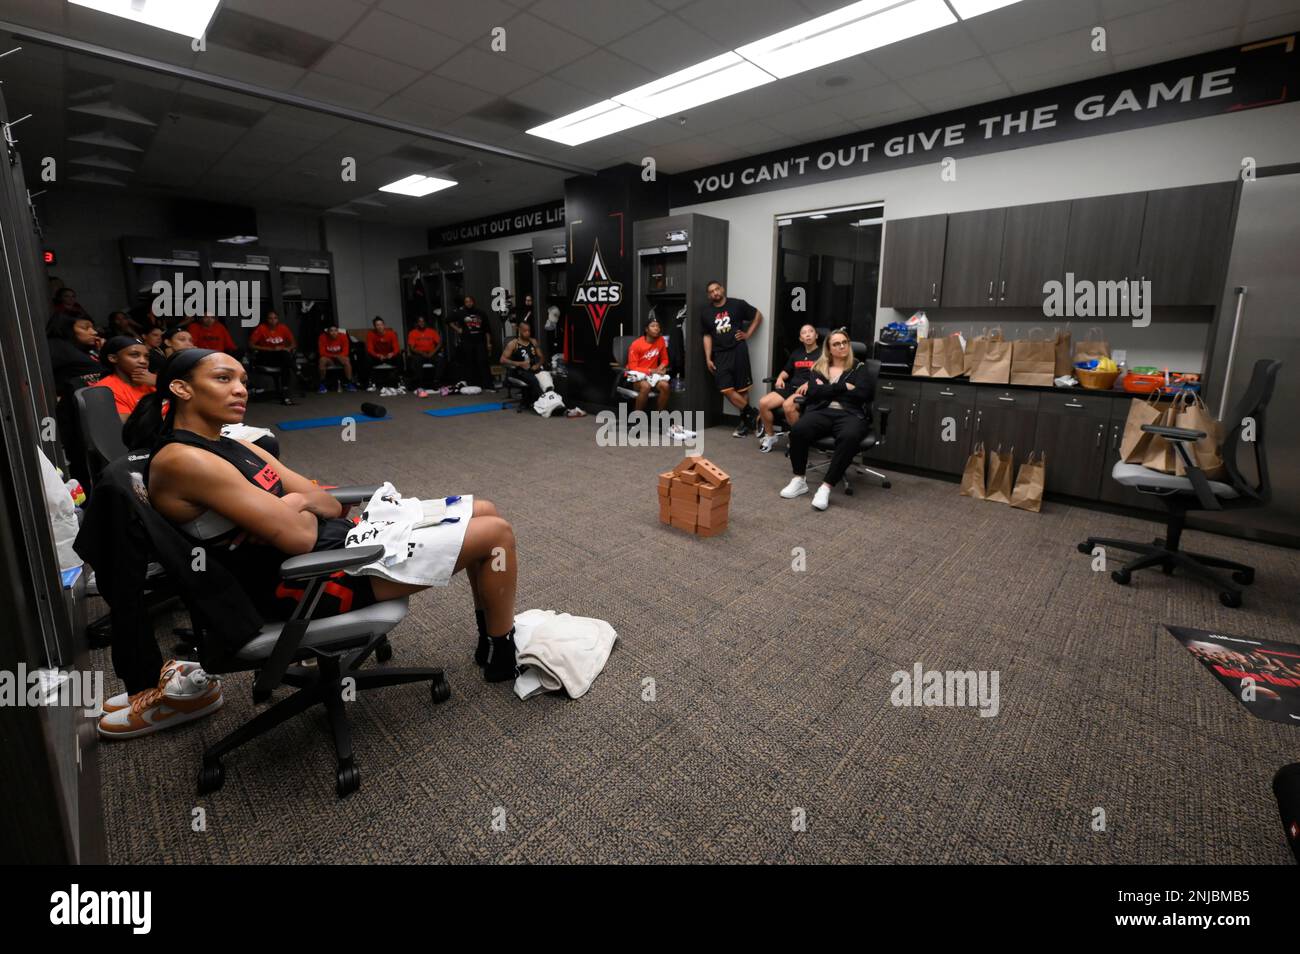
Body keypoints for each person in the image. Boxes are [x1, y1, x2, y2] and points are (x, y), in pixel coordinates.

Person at [96, 349, 525, 737]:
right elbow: (300, 537)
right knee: (495, 535)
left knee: (481, 508)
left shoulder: (230, 444)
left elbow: (326, 502)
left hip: (330, 544)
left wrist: (288, 503)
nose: (241, 389)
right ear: (181, 388)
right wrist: (290, 508)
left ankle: (491, 637)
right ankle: (500, 651)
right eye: (224, 379)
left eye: (243, 379)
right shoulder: (184, 458)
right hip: (300, 583)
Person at [780, 329, 875, 511]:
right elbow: (814, 392)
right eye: (836, 344)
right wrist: (844, 387)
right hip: (822, 412)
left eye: (844, 342)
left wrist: (829, 388)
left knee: (849, 436)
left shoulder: (860, 368)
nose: (841, 346)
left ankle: (826, 487)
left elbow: (863, 394)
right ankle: (799, 479)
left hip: (850, 414)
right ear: (829, 349)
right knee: (798, 430)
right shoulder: (818, 368)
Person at [46, 314, 105, 487]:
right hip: (72, 416)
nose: (93, 332)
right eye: (85, 327)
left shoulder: (77, 349)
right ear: (67, 329)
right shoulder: (57, 347)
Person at [701, 280, 762, 437]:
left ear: (722, 289)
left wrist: (748, 334)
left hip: (738, 350)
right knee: (725, 388)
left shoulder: (737, 304)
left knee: (742, 388)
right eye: (711, 291)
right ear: (709, 295)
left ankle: (744, 424)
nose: (715, 292)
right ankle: (754, 414)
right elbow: (707, 336)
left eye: (717, 289)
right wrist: (708, 358)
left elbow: (758, 316)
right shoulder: (706, 312)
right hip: (720, 354)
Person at [498, 320, 584, 417]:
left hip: (533, 369)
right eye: (525, 331)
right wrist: (519, 363)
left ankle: (559, 405)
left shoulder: (533, 341)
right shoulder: (513, 344)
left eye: (529, 331)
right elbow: (502, 360)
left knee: (548, 380)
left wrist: (538, 365)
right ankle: (547, 407)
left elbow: (542, 357)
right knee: (535, 381)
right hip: (519, 371)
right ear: (519, 330)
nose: (527, 333)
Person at [758, 324, 820, 453]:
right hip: (791, 387)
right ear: (800, 338)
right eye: (804, 333)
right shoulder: (797, 353)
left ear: (816, 335)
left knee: (788, 406)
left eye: (811, 331)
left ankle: (797, 440)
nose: (808, 334)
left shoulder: (823, 354)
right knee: (763, 403)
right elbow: (786, 371)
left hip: (809, 390)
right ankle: (770, 436)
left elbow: (825, 375)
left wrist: (810, 383)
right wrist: (780, 378)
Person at [90, 337, 156, 421]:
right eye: (134, 355)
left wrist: (160, 382)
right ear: (113, 358)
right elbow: (128, 429)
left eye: (147, 357)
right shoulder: (105, 390)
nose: (143, 361)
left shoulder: (152, 380)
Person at [248, 310, 297, 406]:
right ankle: (297, 372)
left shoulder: (283, 328)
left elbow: (294, 344)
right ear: (267, 320)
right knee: (285, 360)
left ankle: (285, 394)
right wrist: (270, 348)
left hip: (281, 357)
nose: (273, 320)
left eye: (275, 318)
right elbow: (251, 345)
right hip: (266, 356)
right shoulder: (261, 328)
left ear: (277, 319)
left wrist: (286, 348)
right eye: (270, 318)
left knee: (285, 361)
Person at [623, 318, 671, 413]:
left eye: (657, 326)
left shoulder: (661, 340)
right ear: (646, 330)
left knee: (665, 386)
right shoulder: (636, 344)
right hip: (634, 375)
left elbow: (665, 359)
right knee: (646, 386)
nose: (656, 328)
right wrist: (654, 370)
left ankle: (659, 417)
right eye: (653, 326)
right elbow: (633, 368)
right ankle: (636, 419)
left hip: (651, 375)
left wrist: (660, 368)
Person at [451, 295, 493, 389]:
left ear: (473, 302)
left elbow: (487, 330)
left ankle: (487, 384)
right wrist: (458, 329)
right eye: (466, 302)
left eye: (470, 301)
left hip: (480, 341)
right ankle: (471, 384)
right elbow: (448, 320)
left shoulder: (481, 313)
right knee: (469, 363)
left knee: (482, 362)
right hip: (467, 342)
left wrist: (488, 343)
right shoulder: (461, 313)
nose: (468, 303)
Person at [317, 323, 358, 392]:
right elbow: (322, 352)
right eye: (331, 331)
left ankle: (349, 383)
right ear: (328, 332)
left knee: (347, 360)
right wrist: (335, 356)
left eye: (335, 330)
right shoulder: (322, 337)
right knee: (322, 360)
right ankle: (322, 384)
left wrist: (339, 356)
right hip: (329, 359)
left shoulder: (343, 336)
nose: (333, 333)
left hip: (340, 358)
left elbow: (346, 351)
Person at [405, 315, 443, 387]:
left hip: (431, 354)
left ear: (425, 323)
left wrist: (432, 353)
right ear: (417, 323)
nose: (421, 323)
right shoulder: (412, 333)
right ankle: (420, 382)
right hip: (419, 354)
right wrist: (422, 353)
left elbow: (439, 343)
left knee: (440, 360)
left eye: (423, 321)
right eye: (419, 321)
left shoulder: (432, 331)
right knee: (416, 360)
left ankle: (436, 381)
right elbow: (412, 348)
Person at [364, 316, 400, 390]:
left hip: (389, 356)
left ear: (384, 325)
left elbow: (396, 348)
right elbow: (370, 349)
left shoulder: (391, 334)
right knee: (367, 357)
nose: (379, 327)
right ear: (375, 327)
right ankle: (371, 381)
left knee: (398, 356)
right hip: (377, 357)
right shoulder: (370, 334)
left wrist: (392, 353)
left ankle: (398, 380)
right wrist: (377, 355)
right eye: (377, 325)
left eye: (381, 324)